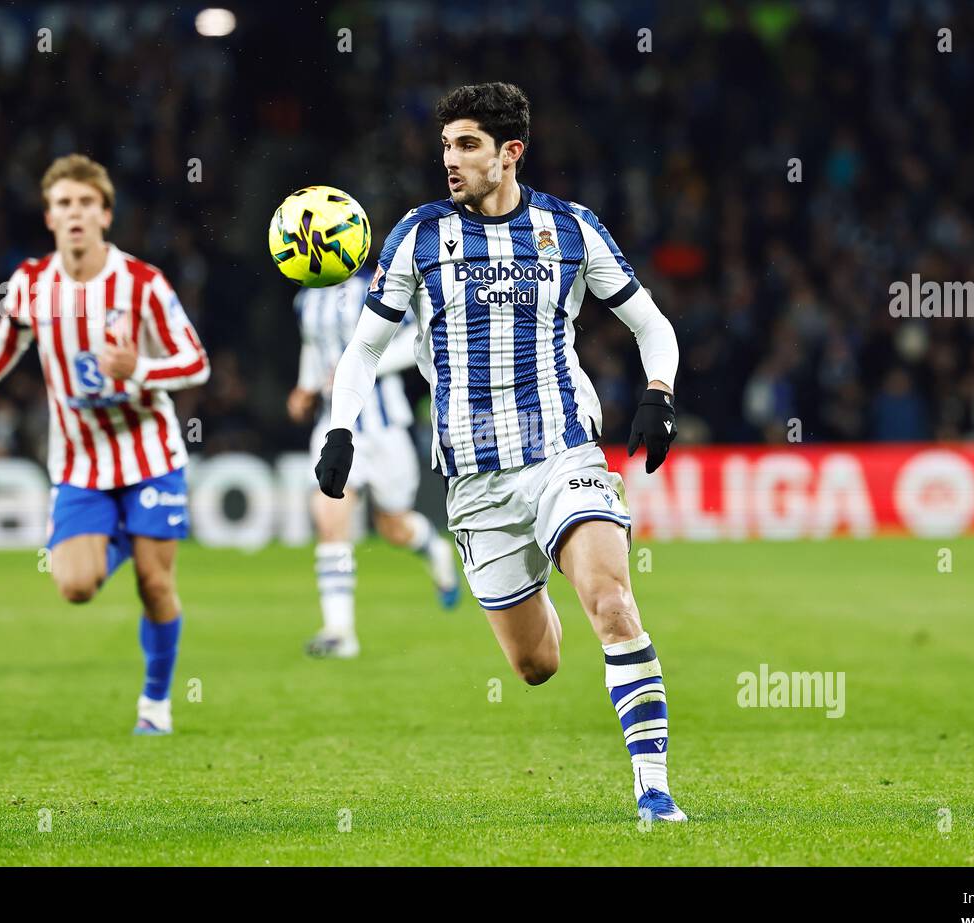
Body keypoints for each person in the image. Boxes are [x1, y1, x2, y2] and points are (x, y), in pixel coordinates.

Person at [313, 83, 685, 821]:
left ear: (510, 152)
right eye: (446, 144)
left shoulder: (570, 230)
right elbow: (361, 352)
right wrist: (341, 428)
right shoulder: (420, 236)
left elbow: (651, 324)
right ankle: (539, 573)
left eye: (468, 145)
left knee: (612, 602)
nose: (450, 159)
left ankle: (653, 789)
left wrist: (660, 393)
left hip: (563, 452)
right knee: (535, 665)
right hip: (476, 483)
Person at [0, 154, 210, 735]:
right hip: (80, 459)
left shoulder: (143, 283)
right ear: (49, 216)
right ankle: (118, 533)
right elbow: (6, 339)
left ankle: (156, 705)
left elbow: (195, 363)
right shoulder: (31, 283)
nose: (76, 214)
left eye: (87, 203)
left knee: (154, 582)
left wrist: (138, 367)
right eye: (64, 204)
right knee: (75, 587)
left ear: (106, 214)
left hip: (150, 452)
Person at [288, 271, 459, 659]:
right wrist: (306, 386)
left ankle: (434, 550)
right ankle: (340, 631)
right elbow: (313, 347)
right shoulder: (306, 300)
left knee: (393, 527)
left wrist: (360, 365)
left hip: (385, 428)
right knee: (330, 517)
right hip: (335, 427)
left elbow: (418, 340)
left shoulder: (379, 287)